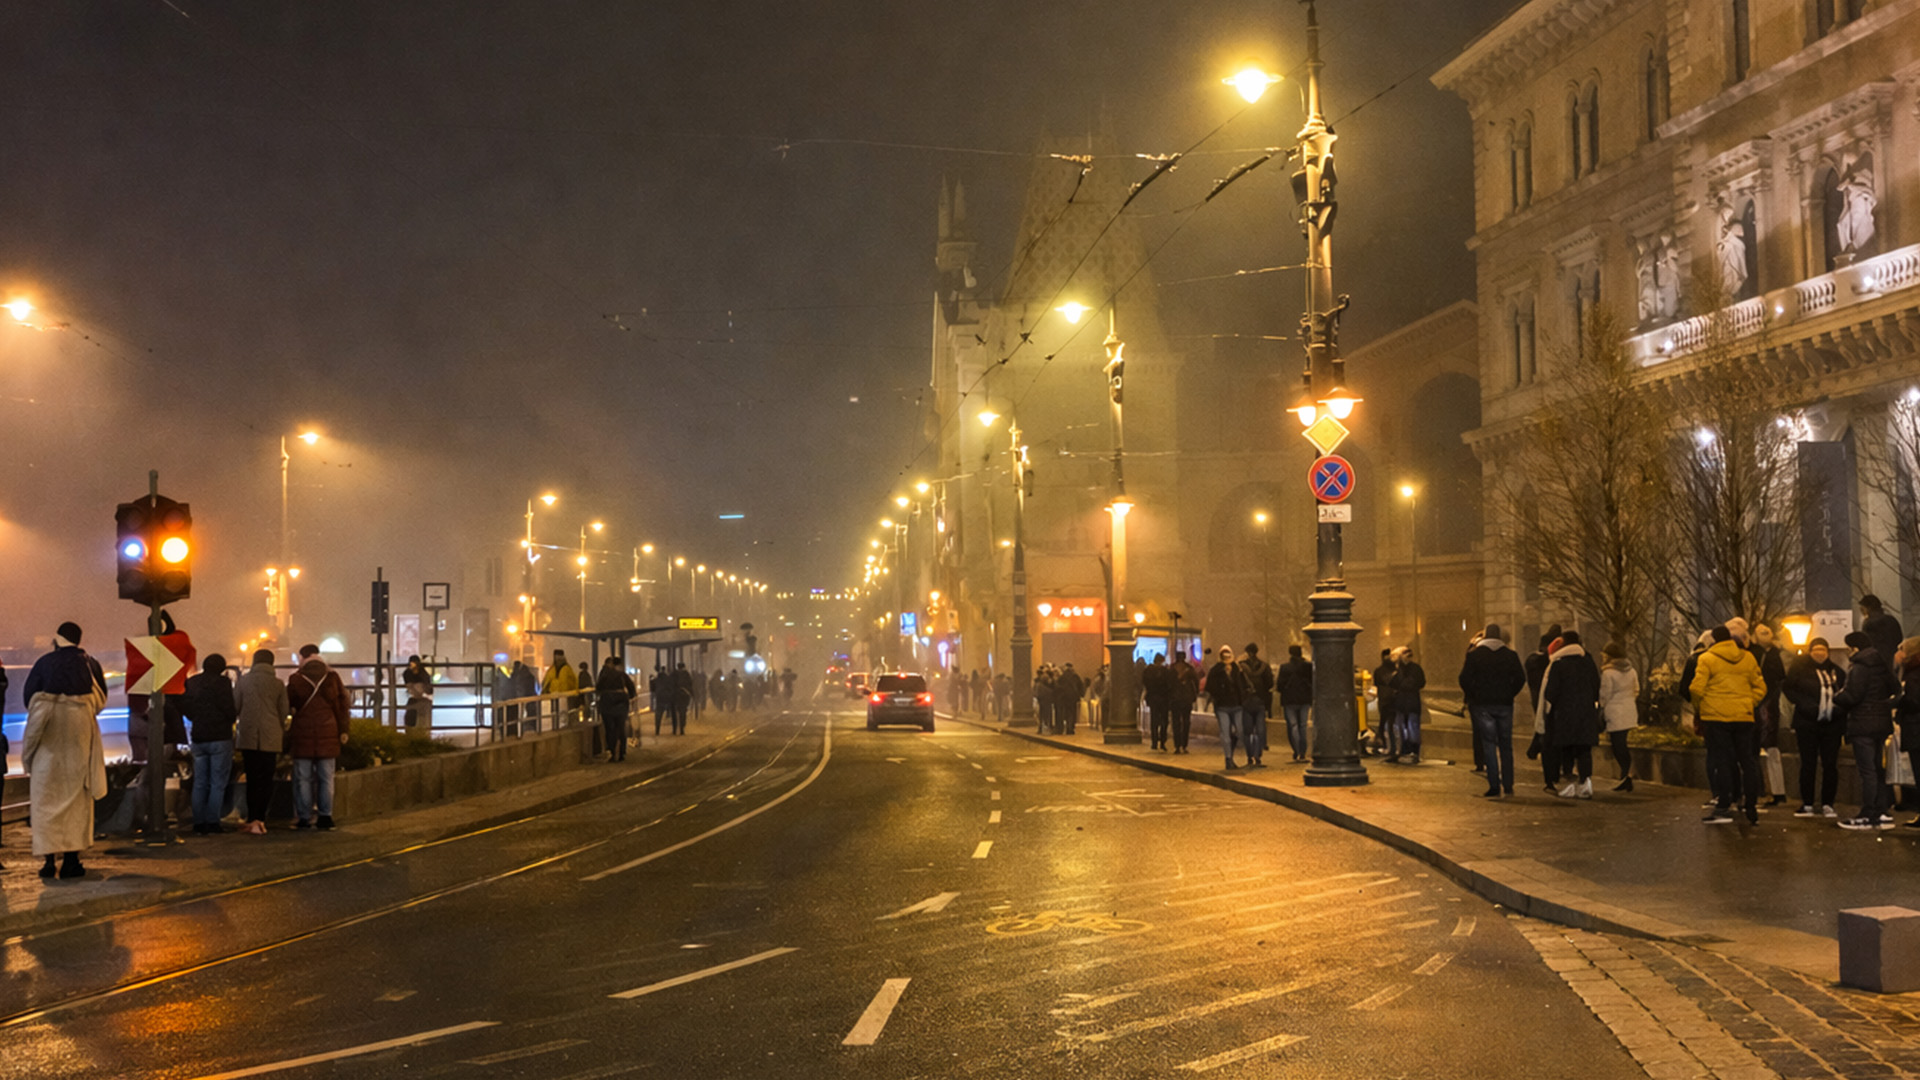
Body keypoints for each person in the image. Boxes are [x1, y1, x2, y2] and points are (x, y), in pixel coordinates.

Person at [21, 622, 108, 879]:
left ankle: (49, 861)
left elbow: (29, 698)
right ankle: (71, 862)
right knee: (77, 802)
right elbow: (100, 700)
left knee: (46, 801)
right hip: (79, 734)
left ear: (57, 640)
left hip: (48, 737)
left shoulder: (43, 663)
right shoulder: (90, 664)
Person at [1690, 626, 1766, 825]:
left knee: (1722, 760)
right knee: (1747, 761)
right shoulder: (1748, 658)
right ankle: (1751, 804)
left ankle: (1724, 804)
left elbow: (1696, 689)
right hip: (1743, 715)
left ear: (1713, 640)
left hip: (1716, 717)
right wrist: (1749, 702)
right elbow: (1761, 687)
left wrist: (1701, 707)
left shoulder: (1706, 659)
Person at [1837, 631, 1898, 830]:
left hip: (1863, 723)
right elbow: (1896, 689)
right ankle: (1881, 810)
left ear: (1855, 648)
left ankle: (1868, 813)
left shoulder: (1860, 667)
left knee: (1867, 771)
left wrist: (1836, 696)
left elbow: (1852, 696)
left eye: (1848, 648)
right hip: (1881, 723)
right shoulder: (1880, 664)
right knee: (1877, 769)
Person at [1458, 623, 1527, 798]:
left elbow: (1464, 679)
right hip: (1504, 704)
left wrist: (1474, 694)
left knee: (1489, 744)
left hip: (1482, 704)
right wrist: (1510, 693)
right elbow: (1520, 678)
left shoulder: (1475, 656)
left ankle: (1494, 785)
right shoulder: (1510, 655)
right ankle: (1509, 784)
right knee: (1506, 745)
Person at [287, 643, 349, 830]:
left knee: (303, 778)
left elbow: (290, 705)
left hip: (302, 733)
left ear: (303, 658)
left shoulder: (296, 679)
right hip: (328, 731)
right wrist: (343, 730)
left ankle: (304, 818)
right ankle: (325, 817)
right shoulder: (332, 677)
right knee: (326, 777)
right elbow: (342, 705)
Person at [1783, 637, 1845, 818]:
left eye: (1823, 650)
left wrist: (1838, 710)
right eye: (1816, 650)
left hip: (1832, 724)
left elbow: (1846, 692)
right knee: (1808, 763)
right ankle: (1807, 803)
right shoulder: (1799, 670)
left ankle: (1828, 803)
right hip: (1807, 723)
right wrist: (1805, 705)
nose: (1819, 653)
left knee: (1830, 764)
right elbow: (1789, 689)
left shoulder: (1837, 671)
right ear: (1810, 651)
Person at [179, 654, 239, 834]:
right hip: (220, 737)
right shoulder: (223, 683)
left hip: (198, 736)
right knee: (217, 782)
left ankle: (199, 823)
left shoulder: (193, 682)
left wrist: (196, 717)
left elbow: (186, 707)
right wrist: (230, 719)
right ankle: (213, 822)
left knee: (200, 782)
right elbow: (229, 709)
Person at [233, 648, 290, 835]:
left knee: (252, 777)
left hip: (249, 736)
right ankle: (261, 818)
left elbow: (235, 707)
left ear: (254, 662)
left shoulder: (243, 682)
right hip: (271, 737)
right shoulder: (278, 684)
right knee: (266, 779)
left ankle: (251, 818)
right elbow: (284, 711)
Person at [1538, 631, 1601, 798]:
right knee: (1584, 749)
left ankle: (1570, 784)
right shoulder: (1588, 662)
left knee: (1567, 749)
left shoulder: (1558, 664)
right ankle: (1586, 781)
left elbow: (1551, 692)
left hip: (1564, 714)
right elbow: (1596, 686)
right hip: (1586, 712)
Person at [1597, 642, 1640, 791]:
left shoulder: (1608, 673)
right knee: (1622, 743)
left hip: (1614, 712)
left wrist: (1601, 707)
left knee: (1618, 746)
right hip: (1629, 711)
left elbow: (1605, 694)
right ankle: (1626, 776)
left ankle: (1626, 775)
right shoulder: (1632, 671)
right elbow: (1636, 690)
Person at [1207, 646, 1250, 769]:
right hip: (1222, 706)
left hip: (1237, 705)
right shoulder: (1216, 670)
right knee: (1225, 733)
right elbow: (1210, 687)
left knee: (1239, 731)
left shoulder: (1238, 669)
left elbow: (1244, 685)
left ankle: (1230, 752)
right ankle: (1228, 758)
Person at [1385, 646, 1427, 764]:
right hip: (1405, 703)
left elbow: (1401, 684)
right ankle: (1406, 751)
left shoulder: (1409, 670)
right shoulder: (1404, 670)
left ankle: (1411, 751)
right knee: (1405, 728)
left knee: (1410, 728)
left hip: (1407, 703)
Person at [1897, 637, 1920, 829]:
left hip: (1916, 729)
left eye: (1901, 649)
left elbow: (1914, 701)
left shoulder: (1912, 674)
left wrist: (1898, 701)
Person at [1276, 645, 1313, 764]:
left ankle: (1296, 751)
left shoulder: (1285, 667)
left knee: (1293, 726)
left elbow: (1280, 686)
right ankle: (1303, 752)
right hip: (1304, 699)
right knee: (1303, 725)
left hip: (1289, 700)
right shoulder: (1308, 667)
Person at [1239, 644, 1274, 767]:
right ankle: (1257, 756)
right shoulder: (1264, 666)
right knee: (1260, 730)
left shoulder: (1241, 667)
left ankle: (1249, 756)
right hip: (1260, 701)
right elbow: (1270, 683)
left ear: (1247, 652)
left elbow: (1238, 685)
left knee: (1248, 731)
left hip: (1246, 702)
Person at [595, 657, 636, 762]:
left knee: (610, 729)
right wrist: (631, 697)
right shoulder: (622, 675)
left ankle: (613, 752)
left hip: (607, 704)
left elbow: (598, 687)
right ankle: (622, 752)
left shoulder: (604, 674)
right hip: (621, 704)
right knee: (620, 728)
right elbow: (631, 687)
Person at [1862, 595, 1904, 670]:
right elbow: (1899, 639)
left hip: (1877, 663)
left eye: (1862, 609)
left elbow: (1867, 645)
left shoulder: (1868, 624)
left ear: (1868, 608)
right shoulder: (1891, 620)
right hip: (1894, 660)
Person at [1370, 649, 1398, 759]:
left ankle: (1383, 744)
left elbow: (1377, 684)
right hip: (1392, 699)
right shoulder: (1395, 670)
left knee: (1384, 723)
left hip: (1384, 699)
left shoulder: (1379, 670)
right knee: (1390, 724)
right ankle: (1390, 746)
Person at [1142, 654, 1173, 750]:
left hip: (1153, 698)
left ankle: (1154, 742)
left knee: (1154, 720)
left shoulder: (1148, 671)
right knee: (1164, 721)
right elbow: (1169, 685)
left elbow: (1144, 682)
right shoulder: (1166, 671)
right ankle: (1162, 741)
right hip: (1164, 699)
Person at [1170, 653, 1199, 754]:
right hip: (1187, 698)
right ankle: (1184, 745)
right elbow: (1196, 682)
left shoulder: (1171, 669)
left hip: (1175, 699)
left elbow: (1167, 684)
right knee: (1186, 722)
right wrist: (1194, 695)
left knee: (1176, 722)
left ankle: (1177, 746)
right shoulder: (1189, 669)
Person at [542, 650, 577, 725]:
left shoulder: (561, 669)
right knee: (557, 715)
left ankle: (559, 726)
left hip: (564, 697)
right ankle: (557, 726)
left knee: (561, 716)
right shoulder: (564, 669)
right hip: (556, 697)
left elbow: (546, 683)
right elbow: (546, 683)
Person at [402, 655, 433, 731]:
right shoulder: (409, 673)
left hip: (419, 698)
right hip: (417, 698)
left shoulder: (421, 674)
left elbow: (428, 689)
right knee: (415, 718)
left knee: (418, 719)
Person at [1055, 664, 1085, 735]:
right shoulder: (1075, 676)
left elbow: (1057, 687)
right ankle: (1070, 728)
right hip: (1073, 697)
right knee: (1072, 712)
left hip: (1063, 697)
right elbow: (1081, 686)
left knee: (1063, 713)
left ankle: (1061, 728)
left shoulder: (1062, 677)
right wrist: (1081, 695)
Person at [671, 663, 693, 734]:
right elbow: (690, 684)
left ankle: (674, 730)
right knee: (683, 712)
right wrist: (692, 694)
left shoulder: (674, 674)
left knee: (674, 713)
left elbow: (670, 684)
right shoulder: (686, 674)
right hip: (684, 695)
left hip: (675, 695)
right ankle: (682, 728)